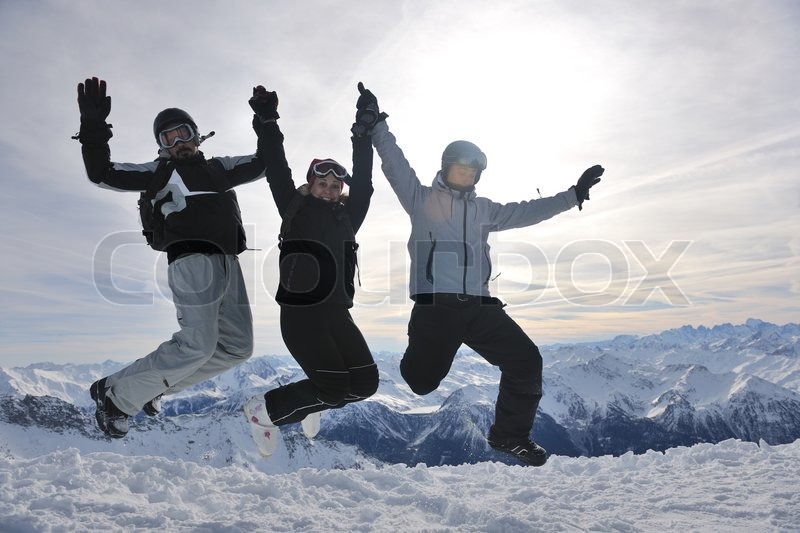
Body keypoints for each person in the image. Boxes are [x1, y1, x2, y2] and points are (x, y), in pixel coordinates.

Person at [355, 82, 605, 466]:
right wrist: (376, 125)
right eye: (460, 169)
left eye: (472, 172)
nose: (466, 175)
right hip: (436, 306)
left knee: (526, 360)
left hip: (479, 307)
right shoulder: (421, 200)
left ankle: (510, 436)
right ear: (446, 169)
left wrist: (573, 195)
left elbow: (527, 211)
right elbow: (394, 163)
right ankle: (416, 347)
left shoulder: (484, 210)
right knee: (421, 383)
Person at [76, 77, 266, 438]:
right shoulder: (159, 172)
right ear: (161, 146)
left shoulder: (220, 169)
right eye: (168, 138)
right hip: (190, 258)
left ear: (197, 135)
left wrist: (266, 120)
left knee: (237, 348)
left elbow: (265, 162)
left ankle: (150, 387)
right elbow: (101, 174)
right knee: (197, 344)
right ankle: (117, 396)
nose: (178, 142)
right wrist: (93, 127)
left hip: (229, 261)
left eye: (183, 133)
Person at [242, 86, 378, 456]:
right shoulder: (294, 209)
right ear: (311, 184)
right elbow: (276, 166)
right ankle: (264, 411)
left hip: (337, 313)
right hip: (301, 314)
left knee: (365, 383)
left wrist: (362, 132)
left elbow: (364, 182)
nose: (329, 190)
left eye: (335, 186)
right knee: (333, 389)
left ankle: (312, 399)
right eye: (322, 184)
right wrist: (267, 121)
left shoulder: (348, 218)